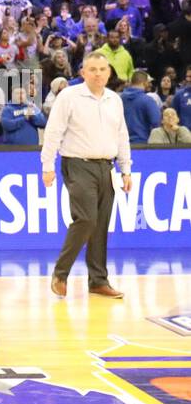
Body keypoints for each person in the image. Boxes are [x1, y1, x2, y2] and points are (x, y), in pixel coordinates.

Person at [41, 51, 132, 300]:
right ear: (82, 72)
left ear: (109, 73)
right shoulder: (69, 96)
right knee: (87, 219)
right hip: (77, 164)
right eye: (92, 69)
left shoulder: (114, 100)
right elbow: (53, 132)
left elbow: (121, 136)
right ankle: (61, 274)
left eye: (102, 70)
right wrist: (47, 166)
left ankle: (98, 281)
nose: (98, 74)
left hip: (107, 166)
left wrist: (126, 169)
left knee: (101, 224)